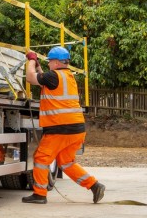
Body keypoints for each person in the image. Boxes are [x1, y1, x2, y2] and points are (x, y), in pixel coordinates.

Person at [22, 46, 105, 204]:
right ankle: (95, 186)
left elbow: (31, 78)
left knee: (41, 158)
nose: (48, 65)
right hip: (76, 128)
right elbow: (42, 78)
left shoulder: (54, 76)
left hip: (60, 128)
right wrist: (38, 64)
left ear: (56, 62)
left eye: (50, 62)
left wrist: (31, 59)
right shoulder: (67, 77)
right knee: (66, 162)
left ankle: (40, 194)